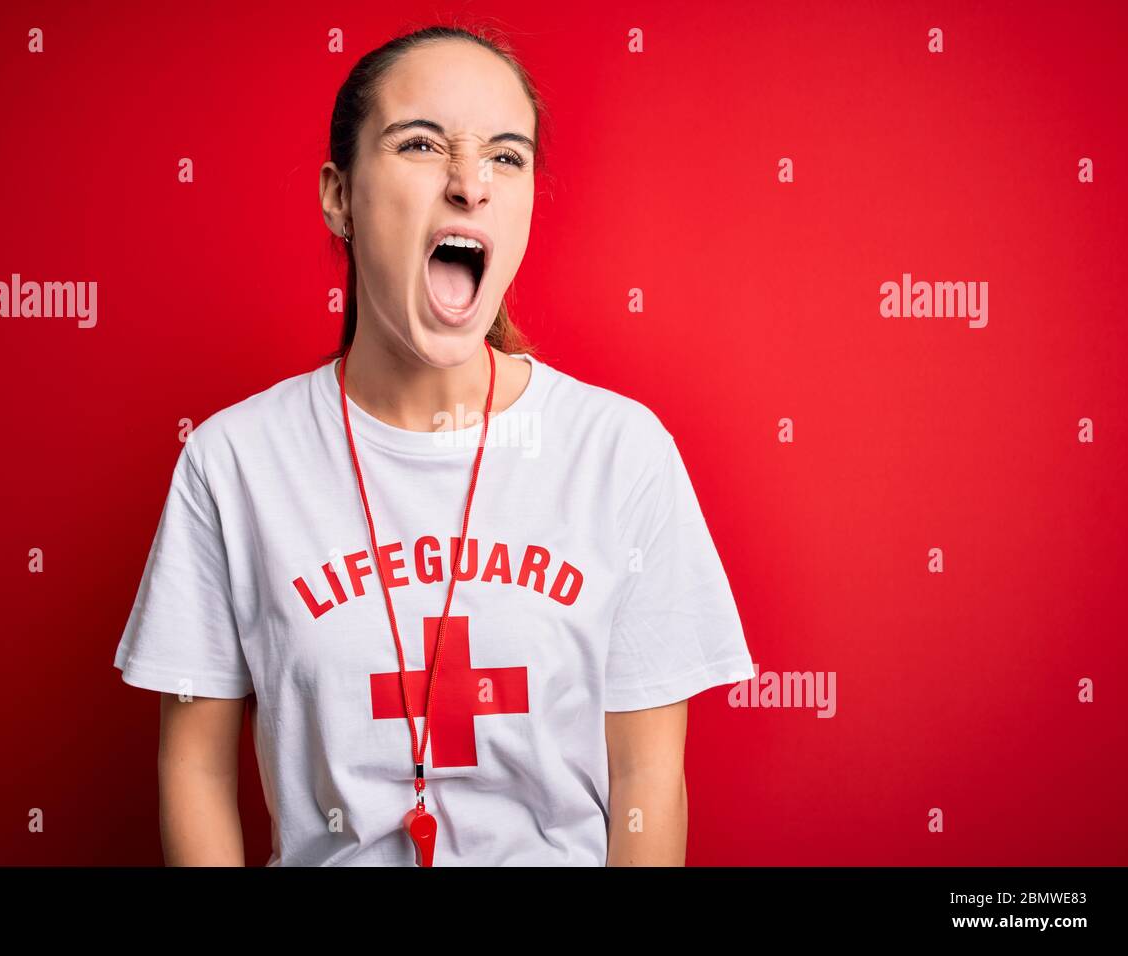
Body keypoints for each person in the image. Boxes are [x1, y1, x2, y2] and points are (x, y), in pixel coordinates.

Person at [113, 23, 754, 867]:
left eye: (506, 155)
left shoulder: (620, 453)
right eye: (421, 145)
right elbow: (193, 770)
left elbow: (647, 778)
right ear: (339, 195)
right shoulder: (231, 465)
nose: (469, 185)